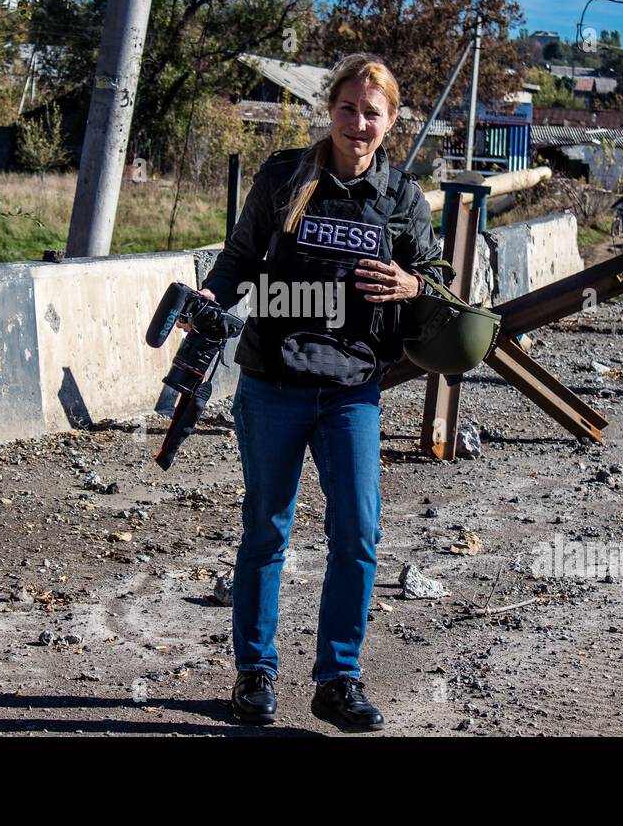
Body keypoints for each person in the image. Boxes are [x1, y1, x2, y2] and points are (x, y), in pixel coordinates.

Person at [188, 53, 448, 731]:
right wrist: (208, 298)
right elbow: (239, 258)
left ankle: (338, 680)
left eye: (372, 112)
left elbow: (439, 278)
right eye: (347, 108)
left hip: (353, 389)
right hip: (273, 383)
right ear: (330, 110)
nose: (358, 123)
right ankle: (254, 675)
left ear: (390, 122)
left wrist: (413, 285)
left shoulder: (401, 197)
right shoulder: (284, 176)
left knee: (358, 534)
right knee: (266, 530)